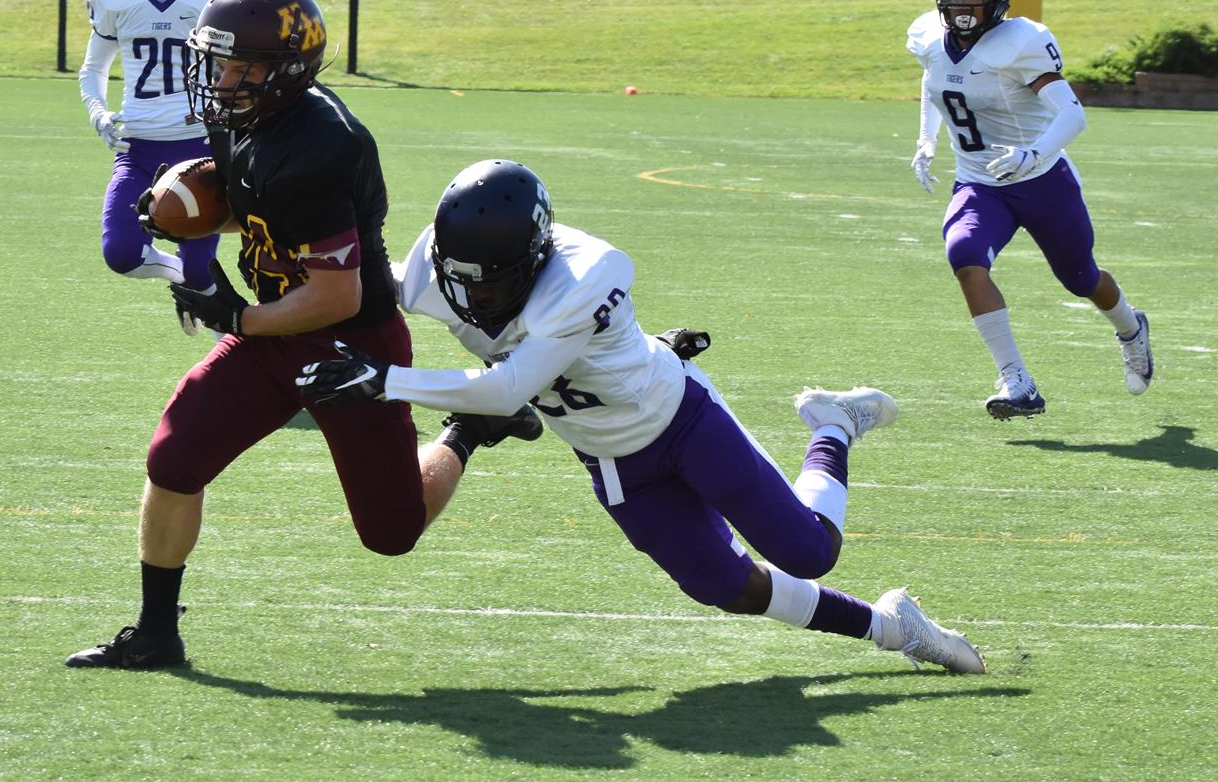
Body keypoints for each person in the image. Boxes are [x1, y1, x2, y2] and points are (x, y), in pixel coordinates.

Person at [296, 160, 987, 674]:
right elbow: (351, 283)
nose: (476, 295)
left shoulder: (585, 271)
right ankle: (891, 627)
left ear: (536, 257)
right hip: (612, 458)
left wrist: (385, 380)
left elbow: (507, 389)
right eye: (465, 276)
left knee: (810, 551)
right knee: (725, 586)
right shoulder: (430, 270)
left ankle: (832, 427)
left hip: (680, 419)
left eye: (496, 279)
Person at [65, 0, 541, 671]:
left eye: (237, 67)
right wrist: (184, 211)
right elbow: (251, 205)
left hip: (349, 347)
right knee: (174, 458)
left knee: (392, 532)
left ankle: (470, 426)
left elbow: (336, 295)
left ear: (283, 71)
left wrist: (238, 314)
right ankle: (156, 631)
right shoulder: (245, 116)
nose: (219, 80)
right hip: (272, 330)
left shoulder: (321, 145)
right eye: (216, 62)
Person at [908, 0, 1153, 419]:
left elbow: (1072, 113)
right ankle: (1016, 381)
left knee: (1080, 277)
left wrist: (1032, 152)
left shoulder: (1018, 43)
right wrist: (926, 140)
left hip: (1041, 178)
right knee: (965, 256)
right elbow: (935, 79)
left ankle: (1130, 327)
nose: (962, 5)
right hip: (979, 182)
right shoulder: (927, 36)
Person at [78, 0, 238, 287]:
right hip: (139, 148)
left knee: (203, 270)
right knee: (121, 254)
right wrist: (97, 112)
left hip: (201, 145)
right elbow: (93, 68)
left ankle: (224, 324)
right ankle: (182, 278)